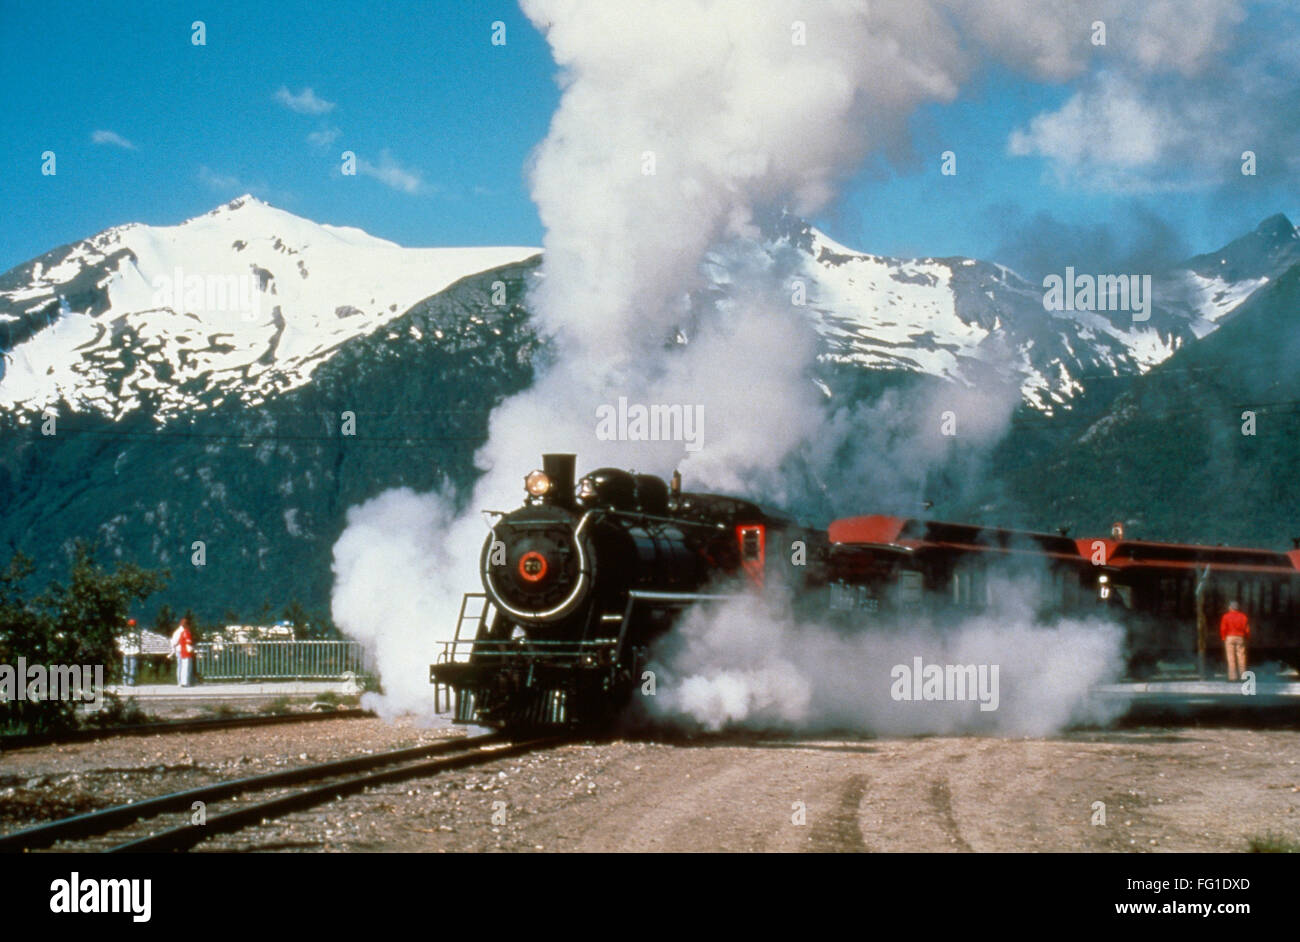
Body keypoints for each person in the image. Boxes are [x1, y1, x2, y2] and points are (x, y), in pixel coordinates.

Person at [1219, 599, 1250, 682]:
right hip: (1240, 637)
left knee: (1231, 658)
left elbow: (1223, 628)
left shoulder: (1225, 616)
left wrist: (1223, 637)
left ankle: (1232, 677)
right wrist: (1246, 637)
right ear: (1237, 608)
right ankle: (1243, 676)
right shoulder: (1243, 616)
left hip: (1229, 637)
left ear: (1230, 607)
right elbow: (1247, 629)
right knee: (1241, 657)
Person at [170, 616, 196, 687]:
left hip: (179, 650)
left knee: (180, 667)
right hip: (181, 650)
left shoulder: (176, 631)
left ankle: (180, 682)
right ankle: (182, 682)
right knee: (183, 667)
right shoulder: (183, 632)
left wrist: (173, 651)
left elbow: (173, 642)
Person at [122, 618, 140, 685]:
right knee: (131, 666)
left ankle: (126, 680)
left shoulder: (125, 634)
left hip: (127, 651)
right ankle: (129, 681)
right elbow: (138, 643)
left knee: (127, 666)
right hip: (132, 651)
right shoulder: (136, 634)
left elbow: (122, 642)